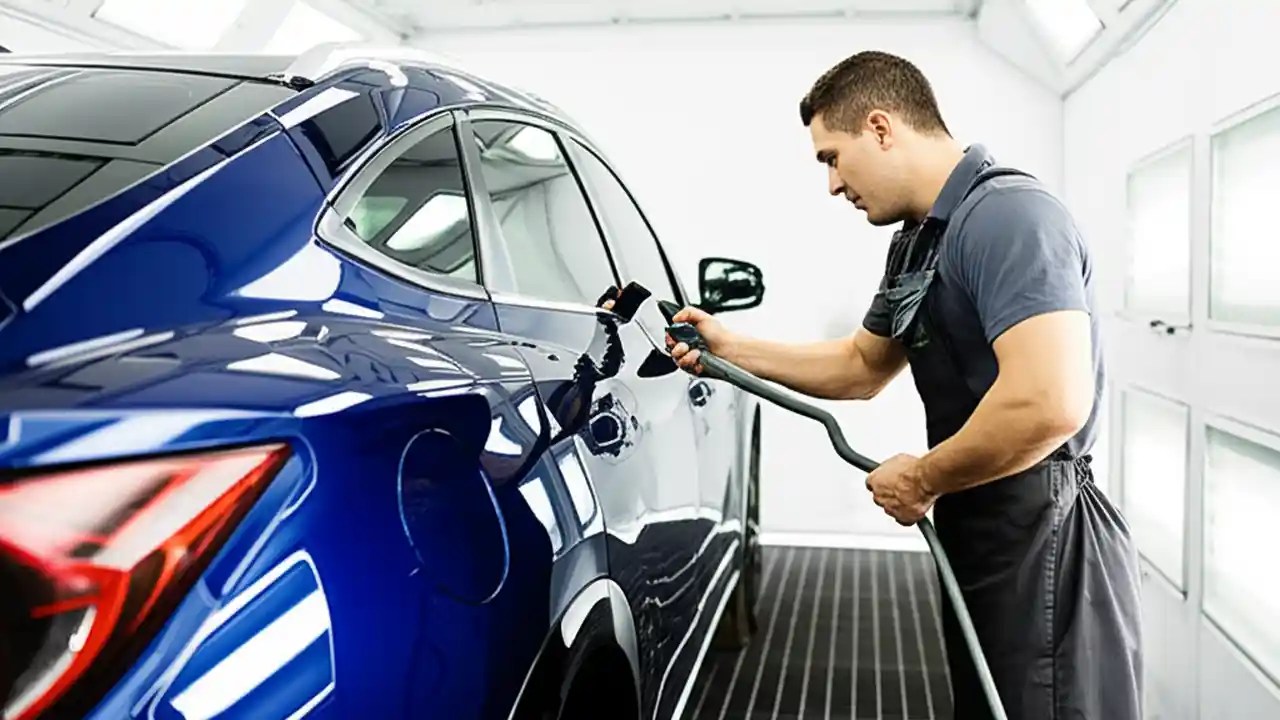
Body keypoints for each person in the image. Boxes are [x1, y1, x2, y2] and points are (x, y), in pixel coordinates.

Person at [665, 50, 1143, 720]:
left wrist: (922, 478)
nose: (832, 184)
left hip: (1045, 526)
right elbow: (862, 367)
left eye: (832, 156)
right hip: (982, 512)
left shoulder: (1010, 218)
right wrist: (729, 345)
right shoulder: (919, 241)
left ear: (882, 128)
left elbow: (1050, 402)